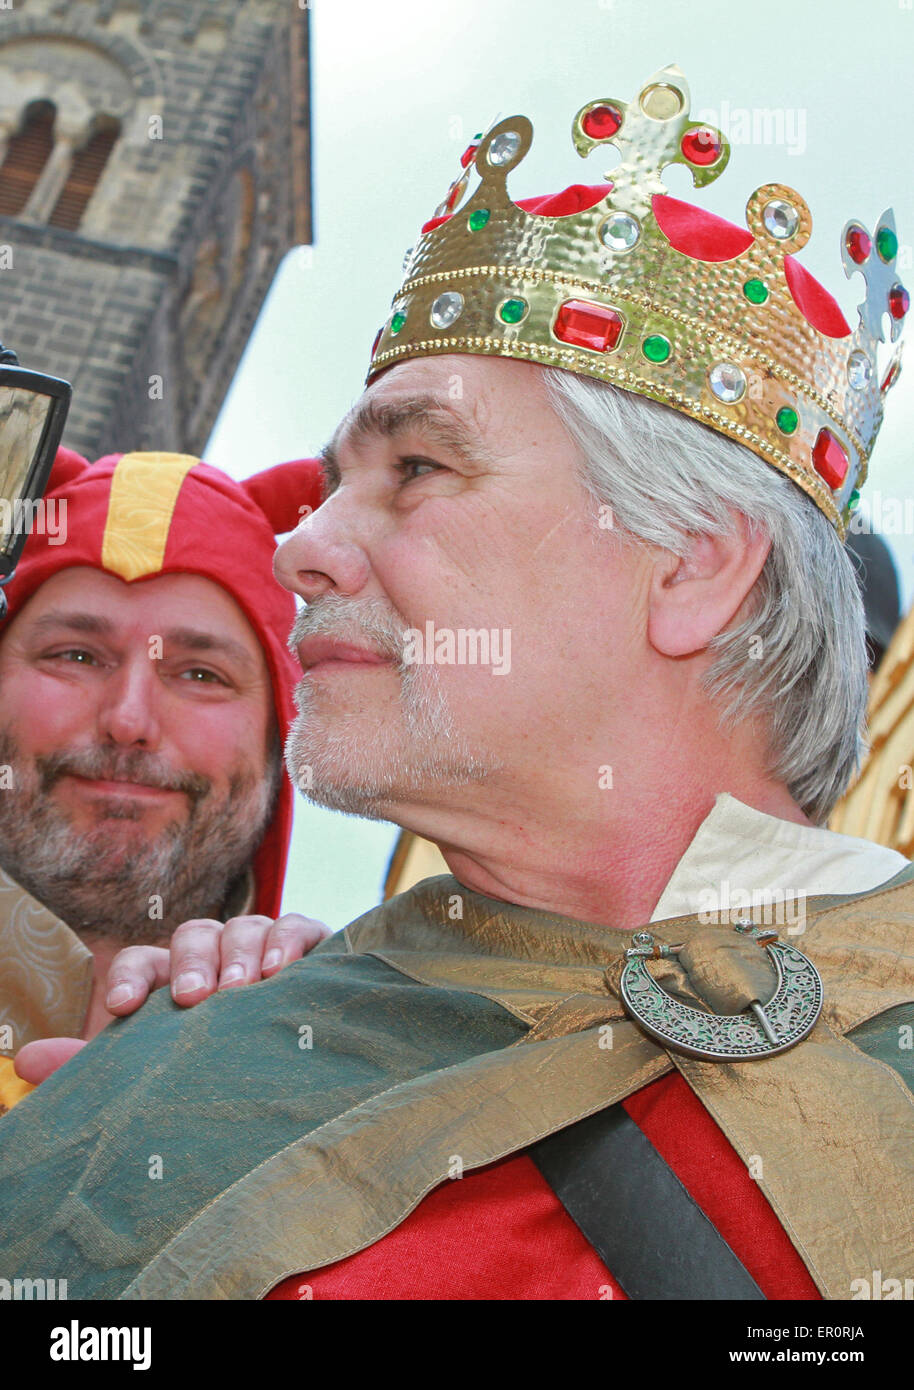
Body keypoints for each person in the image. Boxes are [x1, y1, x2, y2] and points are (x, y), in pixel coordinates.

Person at [1, 63, 912, 1302]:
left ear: (691, 564)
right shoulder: (180, 1057)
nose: (301, 547)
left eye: (419, 466)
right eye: (328, 485)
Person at [0, 446, 325, 1109]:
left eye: (200, 673)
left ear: (277, 735)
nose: (128, 719)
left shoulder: (320, 1071)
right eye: (77, 655)